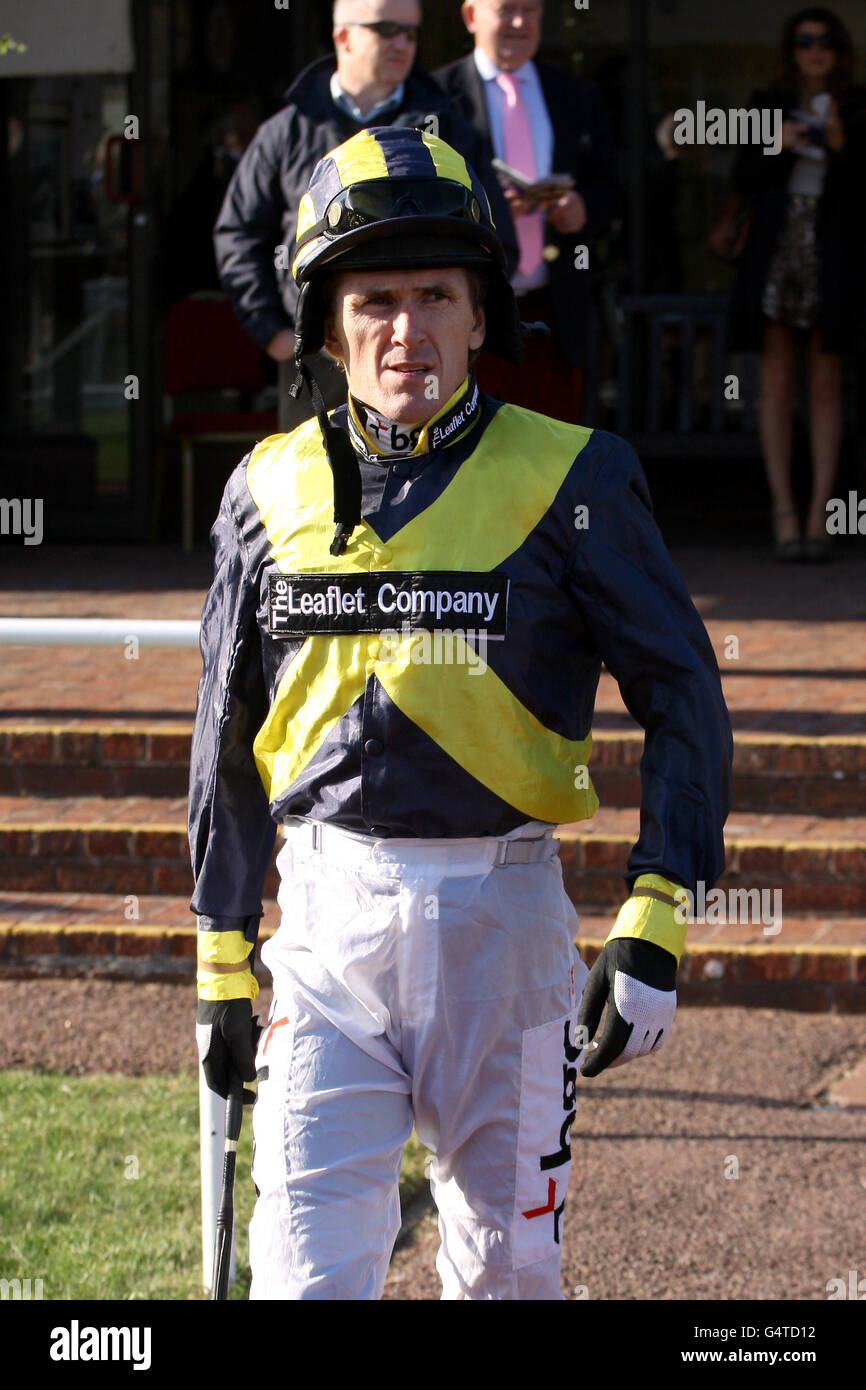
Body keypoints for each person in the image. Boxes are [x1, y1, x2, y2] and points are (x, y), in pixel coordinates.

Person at [191, 126, 732, 1301]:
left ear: (482, 315)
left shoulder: (575, 473)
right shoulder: (262, 488)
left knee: (506, 1274)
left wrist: (656, 909)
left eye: (435, 294)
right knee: (303, 1278)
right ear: (328, 324)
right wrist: (221, 955)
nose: (405, 328)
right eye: (373, 298)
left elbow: (681, 689)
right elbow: (223, 733)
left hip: (507, 927)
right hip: (326, 933)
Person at [213, 0, 517, 426]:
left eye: (411, 33)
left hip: (425, 361)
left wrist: (456, 323)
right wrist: (273, 331)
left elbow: (497, 238)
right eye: (387, 29)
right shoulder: (285, 132)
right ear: (343, 36)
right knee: (315, 487)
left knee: (440, 485)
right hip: (317, 359)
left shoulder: (450, 128)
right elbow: (238, 234)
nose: (403, 44)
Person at [435, 0, 620, 424]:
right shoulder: (437, 98)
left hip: (553, 316)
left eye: (531, 9)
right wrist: (486, 207)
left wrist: (582, 207)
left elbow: (613, 185)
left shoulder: (573, 95)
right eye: (505, 9)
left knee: (554, 464)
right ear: (471, 16)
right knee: (466, 459)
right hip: (468, 313)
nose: (520, 22)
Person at [726, 6, 866, 562]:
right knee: (778, 380)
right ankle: (784, 509)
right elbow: (740, 178)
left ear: (839, 51)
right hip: (778, 248)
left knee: (826, 380)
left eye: (826, 42)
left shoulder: (857, 106)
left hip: (833, 254)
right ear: (791, 49)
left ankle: (821, 513)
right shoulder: (768, 104)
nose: (815, 50)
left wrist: (839, 143)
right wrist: (773, 143)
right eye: (805, 41)